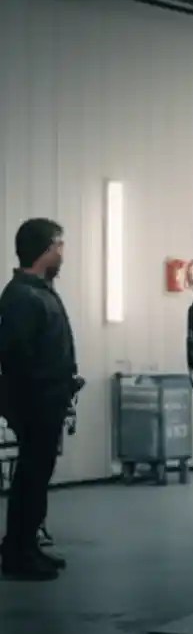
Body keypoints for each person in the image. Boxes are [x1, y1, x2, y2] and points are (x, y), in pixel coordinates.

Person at [0, 218, 78, 581]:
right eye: (59, 246)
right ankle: (17, 553)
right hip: (35, 402)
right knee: (30, 478)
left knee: (36, 476)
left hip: (47, 398)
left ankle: (27, 546)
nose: (62, 253)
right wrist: (44, 388)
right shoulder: (22, 297)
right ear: (45, 249)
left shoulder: (38, 291)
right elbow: (16, 355)